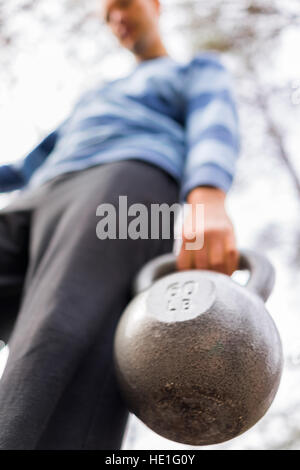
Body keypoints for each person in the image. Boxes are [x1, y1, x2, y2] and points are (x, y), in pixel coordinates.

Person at [0, 0, 240, 449]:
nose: (117, 20)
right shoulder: (96, 95)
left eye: (123, 5)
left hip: (127, 182)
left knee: (59, 337)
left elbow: (214, 121)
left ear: (154, 5)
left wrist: (206, 197)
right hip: (43, 191)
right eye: (107, 16)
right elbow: (27, 163)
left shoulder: (192, 70)